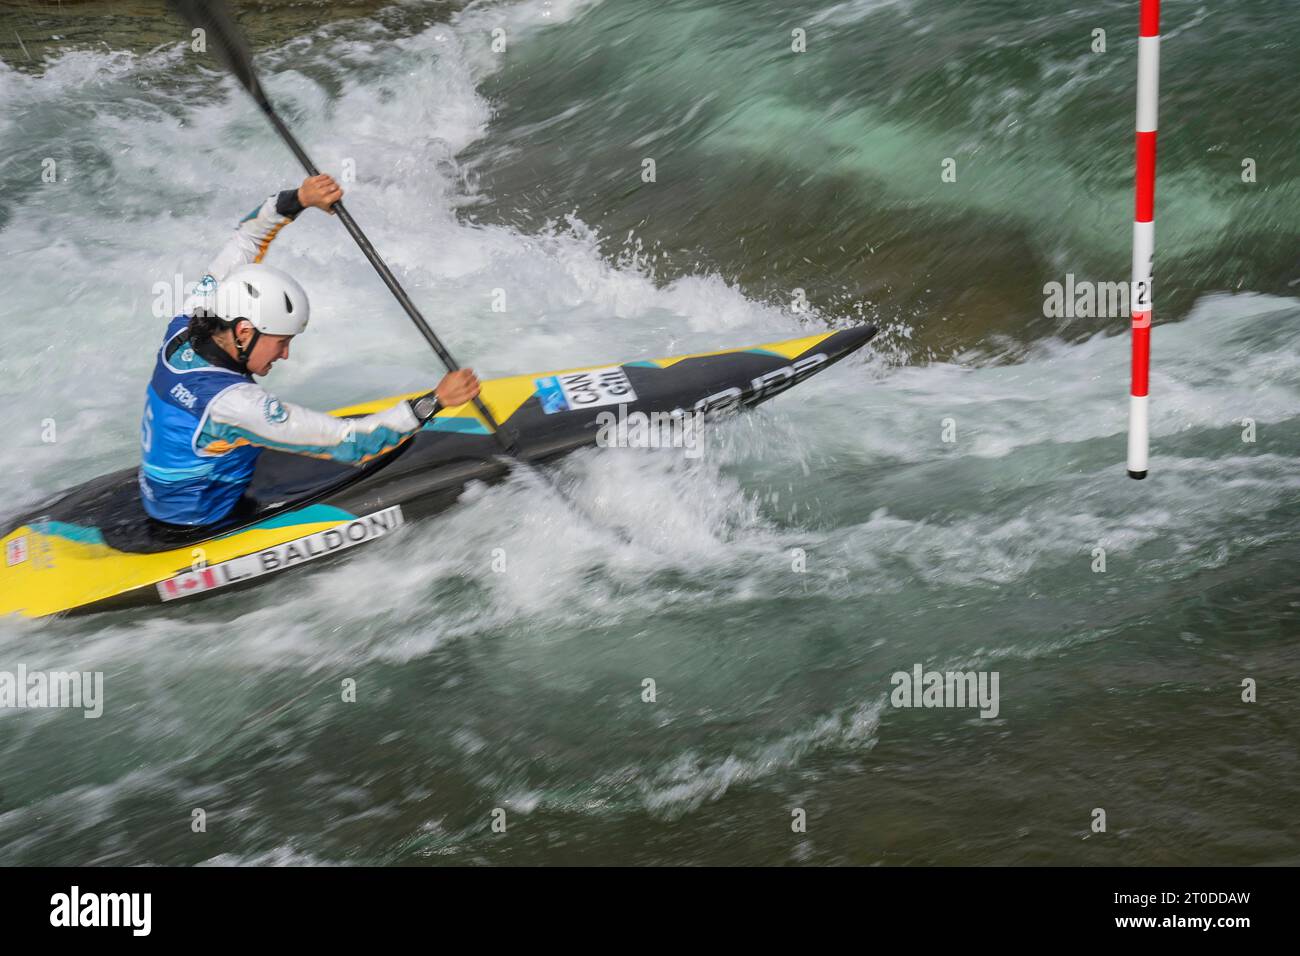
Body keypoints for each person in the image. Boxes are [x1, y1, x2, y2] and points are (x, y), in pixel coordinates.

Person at [139, 174, 479, 528]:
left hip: (174, 483)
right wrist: (434, 402)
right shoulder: (232, 404)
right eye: (281, 341)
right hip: (202, 515)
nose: (284, 354)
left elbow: (246, 238)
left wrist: (299, 198)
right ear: (244, 331)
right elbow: (350, 444)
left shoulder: (191, 319)